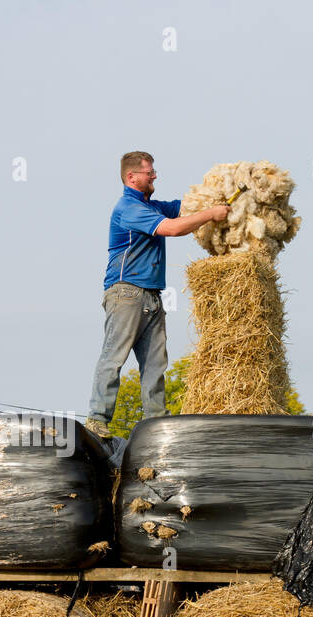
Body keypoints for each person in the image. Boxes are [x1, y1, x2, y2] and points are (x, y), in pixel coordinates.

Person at [84, 151, 229, 439]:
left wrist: (215, 197)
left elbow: (181, 209)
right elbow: (173, 228)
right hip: (126, 292)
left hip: (151, 295)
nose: (154, 175)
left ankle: (157, 425)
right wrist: (211, 214)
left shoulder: (149, 206)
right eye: (149, 172)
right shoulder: (129, 208)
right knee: (114, 356)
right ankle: (97, 420)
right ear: (132, 177)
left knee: (155, 364)